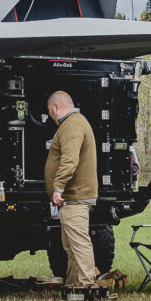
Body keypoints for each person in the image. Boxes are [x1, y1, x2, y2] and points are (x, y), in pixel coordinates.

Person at [44, 90, 100, 289]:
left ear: (56, 107)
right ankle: (74, 285)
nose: (50, 115)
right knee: (71, 245)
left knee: (78, 243)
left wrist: (58, 187)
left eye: (49, 111)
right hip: (74, 196)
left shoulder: (72, 125)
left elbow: (70, 159)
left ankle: (86, 285)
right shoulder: (74, 123)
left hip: (75, 196)